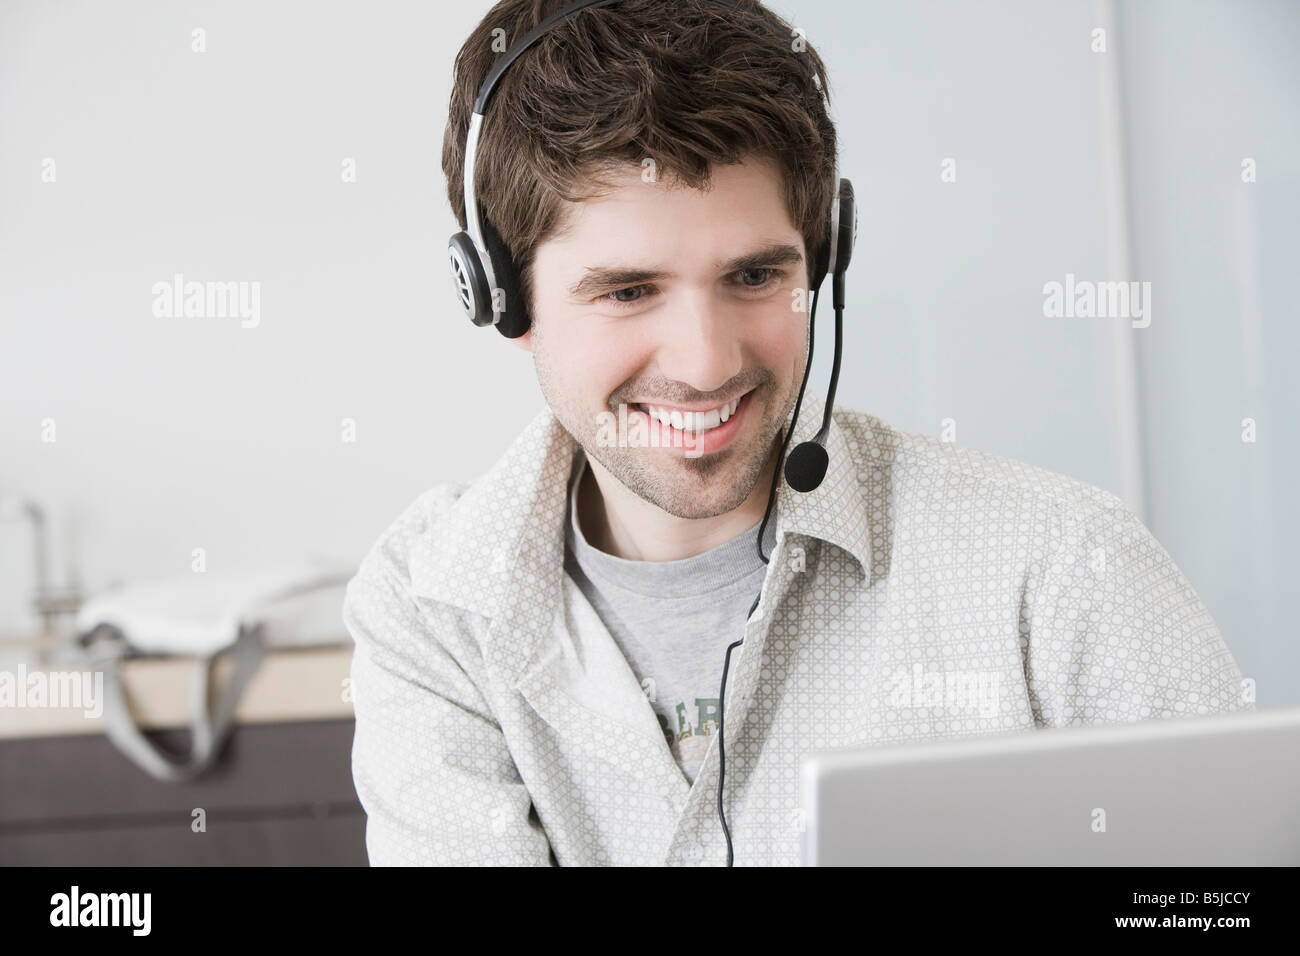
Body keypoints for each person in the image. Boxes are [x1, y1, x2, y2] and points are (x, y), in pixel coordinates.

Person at [342, 0, 1252, 866]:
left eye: (751, 277)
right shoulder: (432, 611)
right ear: (500, 297)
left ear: (822, 257)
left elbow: (1220, 902)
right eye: (628, 291)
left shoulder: (1060, 566)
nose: (704, 362)